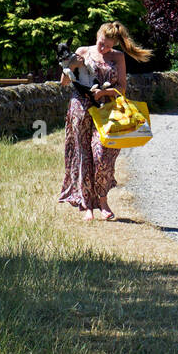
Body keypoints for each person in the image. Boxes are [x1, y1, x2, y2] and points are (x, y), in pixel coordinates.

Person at [58, 21, 153, 221]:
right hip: (81, 108)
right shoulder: (82, 51)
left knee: (102, 156)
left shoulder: (118, 57)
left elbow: (122, 88)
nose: (104, 48)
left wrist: (104, 92)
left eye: (109, 45)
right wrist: (71, 66)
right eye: (102, 43)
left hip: (107, 111)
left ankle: (103, 200)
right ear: (98, 35)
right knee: (83, 156)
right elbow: (64, 82)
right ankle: (87, 206)